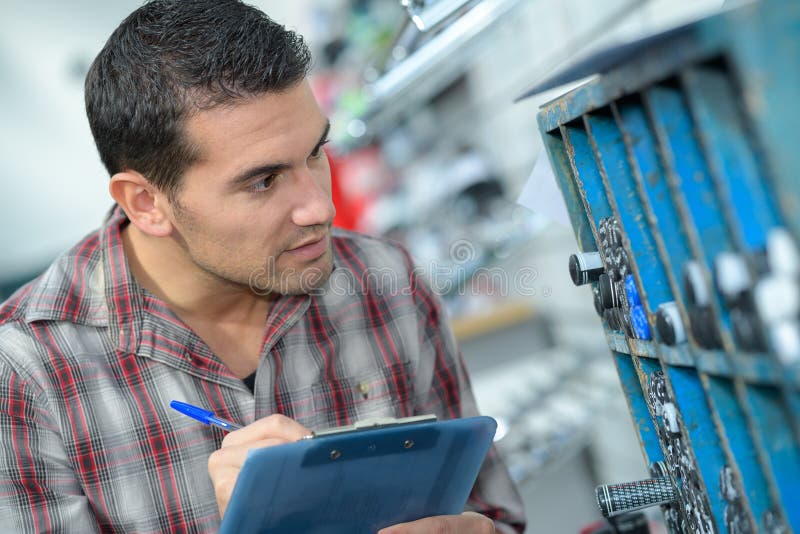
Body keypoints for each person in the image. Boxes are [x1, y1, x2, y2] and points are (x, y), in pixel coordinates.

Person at [0, 1, 526, 532]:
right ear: (146, 204)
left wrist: (482, 529)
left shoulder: (387, 284)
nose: (321, 208)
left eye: (316, 152)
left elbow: (496, 511)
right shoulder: (24, 377)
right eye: (263, 180)